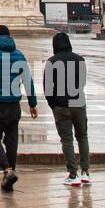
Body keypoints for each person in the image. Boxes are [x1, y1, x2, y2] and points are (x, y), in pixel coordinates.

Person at [0, 25, 38, 192]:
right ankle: (10, 173)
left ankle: (6, 169)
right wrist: (33, 104)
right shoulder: (19, 54)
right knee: (12, 140)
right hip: (14, 105)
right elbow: (28, 80)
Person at [43, 32, 90, 187]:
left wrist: (54, 104)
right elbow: (83, 82)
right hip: (78, 103)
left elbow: (47, 88)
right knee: (82, 137)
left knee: (67, 140)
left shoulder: (51, 61)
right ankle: (86, 173)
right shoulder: (80, 59)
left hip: (61, 105)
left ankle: (73, 174)